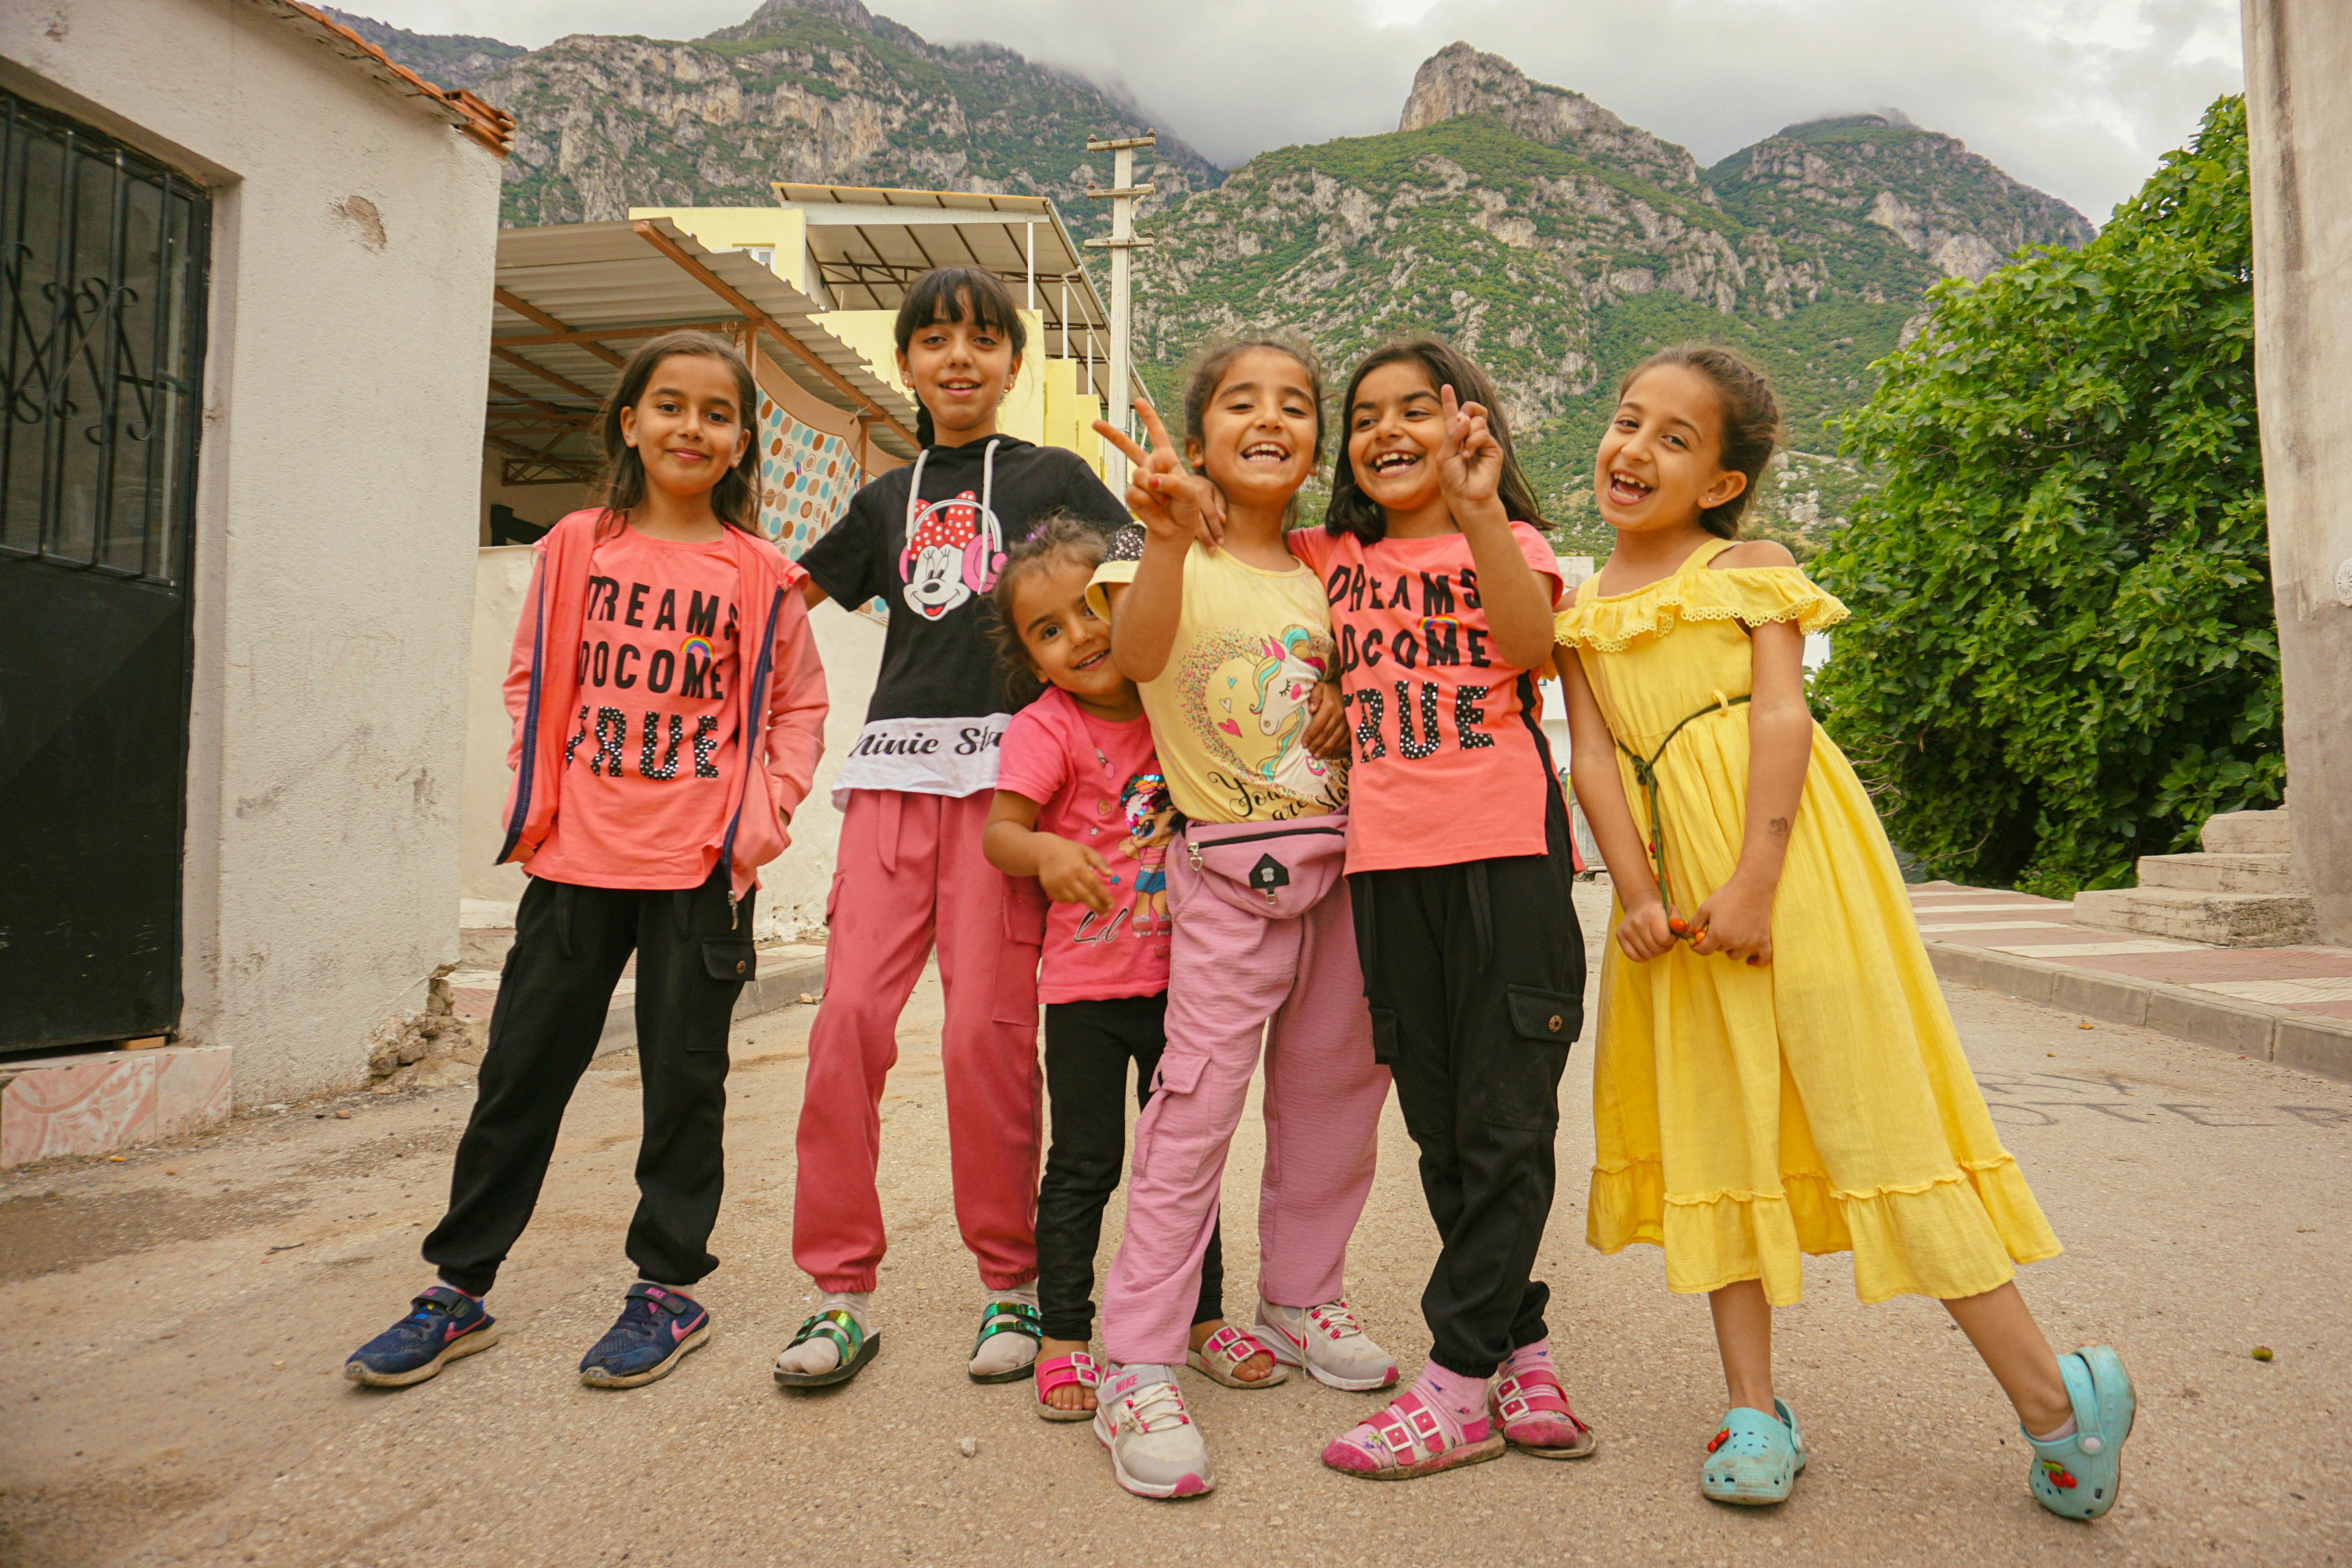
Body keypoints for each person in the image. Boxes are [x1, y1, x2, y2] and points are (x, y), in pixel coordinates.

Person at [1554, 345, 2134, 1516]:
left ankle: (2056, 1406)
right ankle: (1754, 1410)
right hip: (1673, 889)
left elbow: (1781, 712)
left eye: (1677, 438)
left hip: (1793, 862)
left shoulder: (1750, 567)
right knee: (1715, 1121)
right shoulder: (1581, 611)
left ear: (1720, 483)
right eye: (1629, 422)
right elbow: (1596, 759)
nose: (1637, 449)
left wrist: (1759, 875)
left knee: (1876, 1112)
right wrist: (1635, 890)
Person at [345, 330, 827, 1391]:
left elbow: (799, 711)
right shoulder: (574, 547)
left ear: (742, 441)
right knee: (520, 1074)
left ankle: (667, 1288)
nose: (690, 428)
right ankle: (458, 1287)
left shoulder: (763, 577)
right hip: (575, 862)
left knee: (683, 1084)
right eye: (669, 405)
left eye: (715, 413)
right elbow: (530, 679)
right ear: (630, 421)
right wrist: (539, 791)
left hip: (701, 873)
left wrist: (759, 820)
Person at [775, 268, 1130, 1389]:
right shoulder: (886, 497)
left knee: (984, 1036)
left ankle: (1009, 1285)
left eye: (983, 339)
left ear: (1015, 364)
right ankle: (839, 1292)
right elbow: (789, 598)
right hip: (890, 785)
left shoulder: (1059, 477)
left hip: (1009, 790)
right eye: (934, 341)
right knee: (846, 1026)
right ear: (908, 365)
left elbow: (1136, 585)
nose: (959, 357)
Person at [1084, 337, 1392, 1500]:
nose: (1273, 421)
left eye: (1298, 406)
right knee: (1193, 1111)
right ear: (1204, 431)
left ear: (1318, 441)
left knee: (1333, 1101)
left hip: (1347, 871)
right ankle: (1140, 1360)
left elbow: (1381, 674)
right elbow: (1135, 658)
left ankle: (1302, 1300)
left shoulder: (1330, 565)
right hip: (1224, 876)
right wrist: (1164, 533)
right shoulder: (1146, 542)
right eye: (1243, 404)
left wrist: (1347, 691)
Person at [1288, 339, 1596, 1481]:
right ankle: (1519, 1345)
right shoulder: (1331, 558)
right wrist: (1325, 679)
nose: (1385, 430)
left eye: (1413, 408)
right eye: (1363, 415)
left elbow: (1528, 650)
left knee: (1507, 1121)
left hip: (1507, 861)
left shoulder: (1509, 542)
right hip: (1386, 871)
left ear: (1469, 422)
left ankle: (1457, 1384)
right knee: (1441, 1129)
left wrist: (1474, 518)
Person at [978, 514, 1287, 1423]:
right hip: (1083, 993)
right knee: (1085, 1163)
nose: (1078, 634)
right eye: (1049, 629)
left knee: (1185, 1160)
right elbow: (1000, 831)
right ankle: (1067, 1332)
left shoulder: (1173, 705)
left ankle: (1203, 1318)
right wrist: (1043, 854)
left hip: (1186, 987)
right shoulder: (1048, 728)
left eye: (1089, 608)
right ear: (1035, 662)